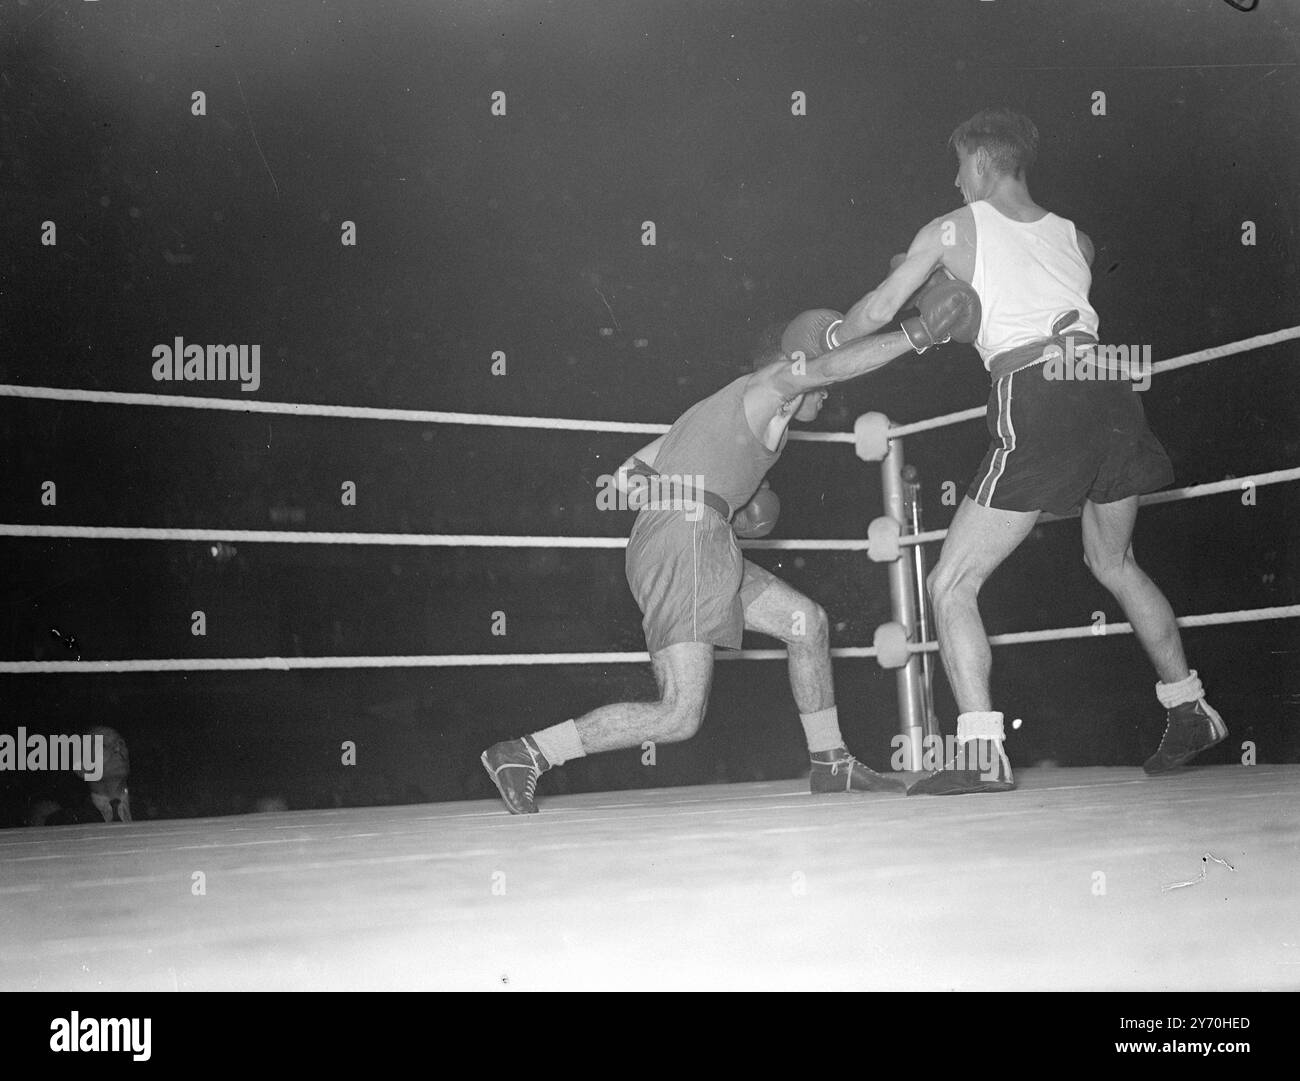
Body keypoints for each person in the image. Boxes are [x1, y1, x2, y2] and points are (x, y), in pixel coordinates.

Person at [828, 108, 1226, 794]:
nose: (955, 183)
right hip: (1107, 384)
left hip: (1039, 389)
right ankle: (1189, 706)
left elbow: (876, 309)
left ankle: (982, 752)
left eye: (959, 168)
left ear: (981, 163)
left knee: (951, 582)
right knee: (1115, 560)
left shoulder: (954, 227)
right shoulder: (1079, 238)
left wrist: (833, 337)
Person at [480, 286, 980, 813]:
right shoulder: (771, 385)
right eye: (821, 378)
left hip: (698, 536)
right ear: (799, 362)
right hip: (687, 540)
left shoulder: (718, 407)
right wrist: (918, 334)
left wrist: (714, 504)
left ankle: (831, 763)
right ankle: (527, 753)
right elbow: (832, 370)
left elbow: (628, 476)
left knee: (806, 622)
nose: (829, 395)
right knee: (679, 714)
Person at [46, 725, 136, 824]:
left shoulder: (153, 806)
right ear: (82, 769)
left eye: (121, 743)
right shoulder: (65, 822)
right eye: (103, 746)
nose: (118, 749)